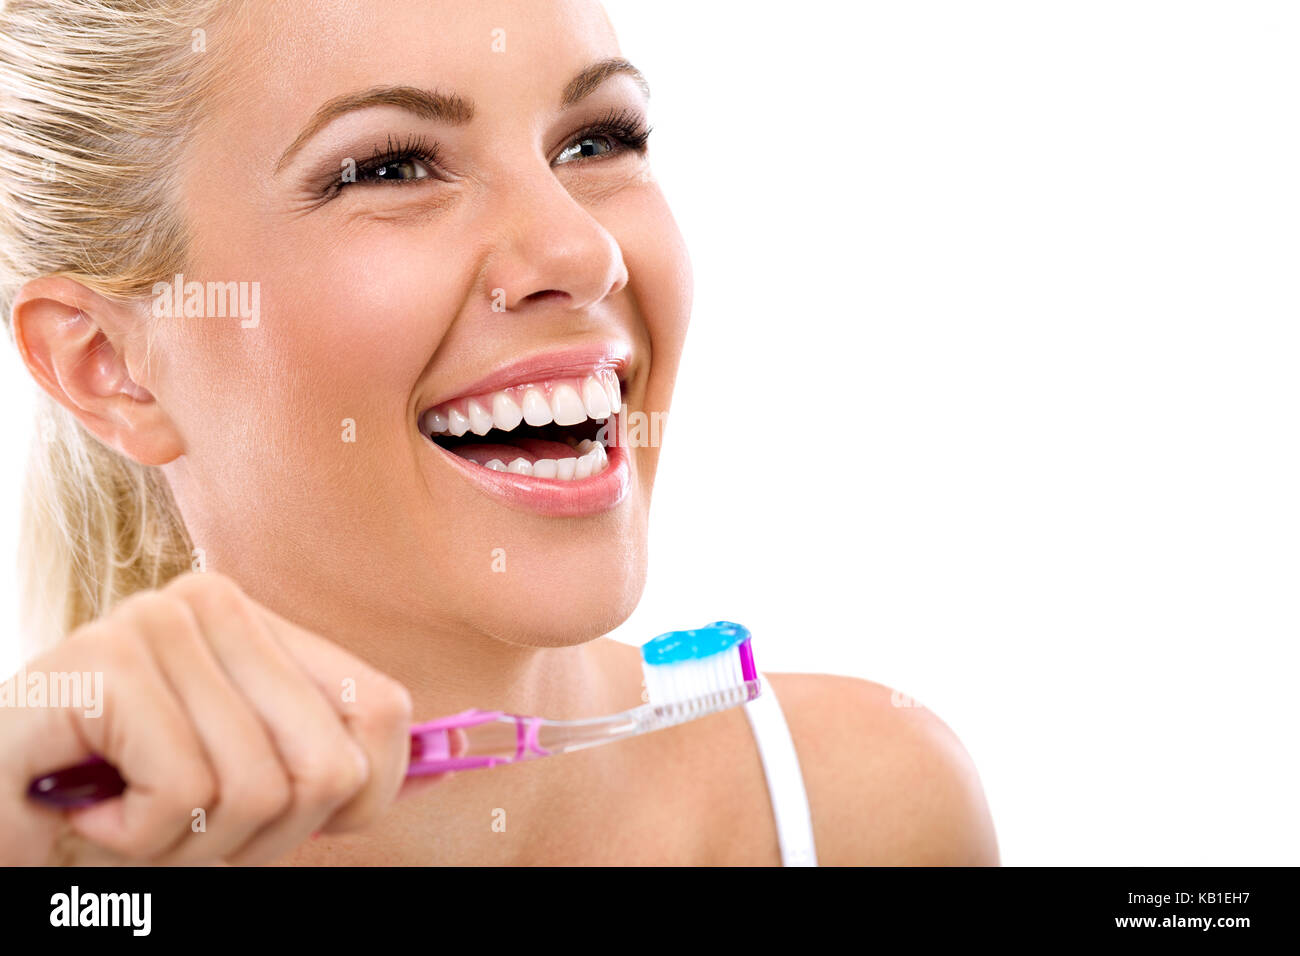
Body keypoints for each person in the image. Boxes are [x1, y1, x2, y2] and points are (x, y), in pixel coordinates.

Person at [0, 0, 998, 866]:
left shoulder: (865, 808)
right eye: (390, 167)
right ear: (106, 363)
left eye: (596, 140)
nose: (583, 247)